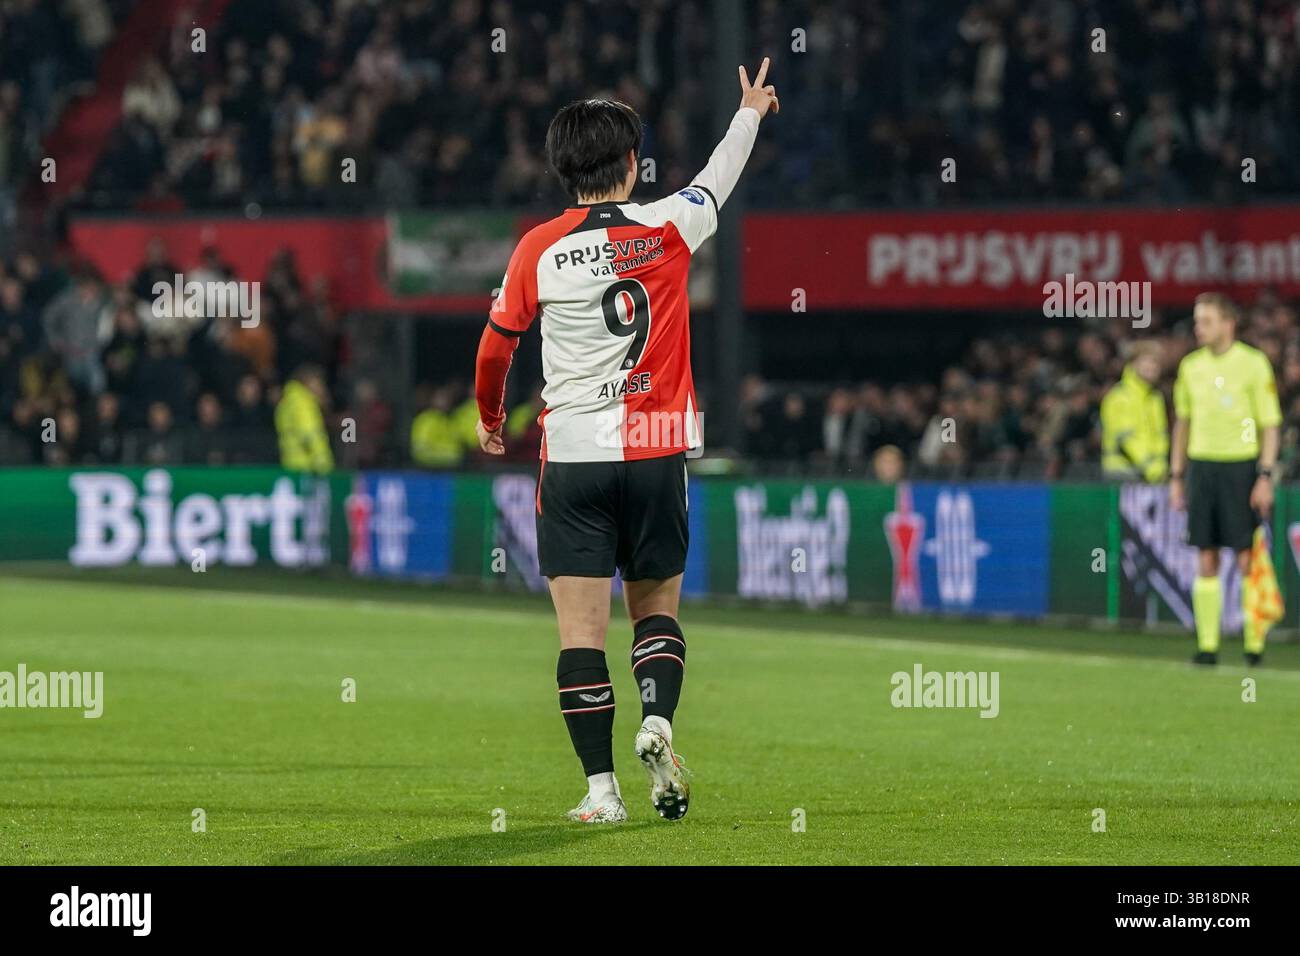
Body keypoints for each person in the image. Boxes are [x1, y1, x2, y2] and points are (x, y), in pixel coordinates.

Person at [473, 59, 780, 824]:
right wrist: (749, 112)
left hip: (573, 454)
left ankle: (601, 793)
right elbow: (719, 175)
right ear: (634, 166)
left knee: (580, 633)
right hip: (655, 444)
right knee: (656, 614)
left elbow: (494, 349)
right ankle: (658, 722)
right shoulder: (670, 222)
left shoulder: (537, 247)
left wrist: (489, 419)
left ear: (559, 169)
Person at [1169, 293, 1281, 666]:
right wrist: (1176, 476)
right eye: (1198, 321)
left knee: (1247, 555)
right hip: (1202, 466)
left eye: (1206, 321)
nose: (1198, 328)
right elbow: (1182, 423)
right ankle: (1208, 646)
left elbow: (1269, 423)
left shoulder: (1253, 364)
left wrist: (1264, 474)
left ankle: (1253, 645)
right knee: (1206, 553)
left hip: (1241, 465)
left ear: (1227, 324)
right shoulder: (1190, 367)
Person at [1100, 340, 1169, 482]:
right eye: (1147, 362)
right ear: (1133, 363)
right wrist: (1151, 467)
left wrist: (1160, 465)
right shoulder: (1119, 396)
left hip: (1153, 472)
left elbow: (1161, 436)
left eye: (1156, 363)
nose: (1153, 367)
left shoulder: (1155, 398)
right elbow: (1125, 439)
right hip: (1122, 471)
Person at [275, 364, 334, 473]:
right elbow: (310, 433)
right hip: (308, 466)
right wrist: (324, 462)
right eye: (319, 383)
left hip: (289, 462)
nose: (321, 388)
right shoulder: (303, 402)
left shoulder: (287, 400)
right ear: (309, 382)